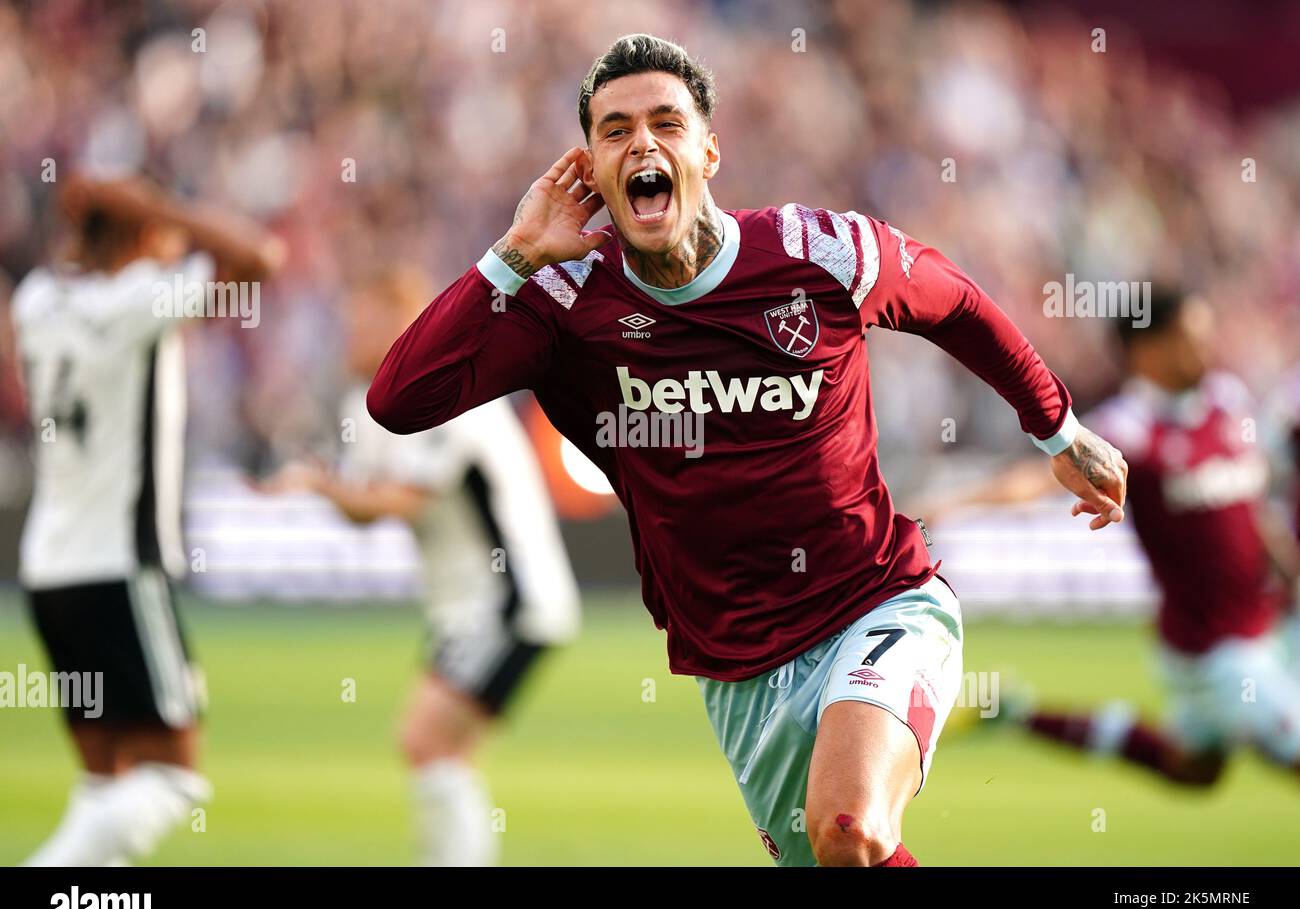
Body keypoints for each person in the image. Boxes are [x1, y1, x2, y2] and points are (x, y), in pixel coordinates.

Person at [366, 34, 1127, 866]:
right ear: (588, 167)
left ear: (709, 150)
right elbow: (400, 402)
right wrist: (512, 257)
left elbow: (957, 304)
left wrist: (1058, 429)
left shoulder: (819, 252)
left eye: (666, 123)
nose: (643, 144)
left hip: (876, 603)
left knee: (851, 829)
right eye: (616, 131)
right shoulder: (564, 302)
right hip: (734, 664)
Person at [263, 265, 579, 865]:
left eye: (361, 322)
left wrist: (315, 484)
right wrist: (323, 485)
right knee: (441, 752)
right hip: (467, 606)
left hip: (511, 602)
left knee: (426, 741)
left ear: (398, 327)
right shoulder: (368, 405)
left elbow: (402, 499)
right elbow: (366, 511)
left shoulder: (451, 395)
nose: (348, 336)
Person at [917, 290, 1300, 785]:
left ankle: (1017, 713)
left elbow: (1248, 510)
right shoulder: (1130, 428)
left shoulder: (1228, 401)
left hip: (1268, 622)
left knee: (1193, 767)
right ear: (1148, 351)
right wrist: (952, 506)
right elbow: (1039, 479)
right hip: (1215, 648)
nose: (1206, 349)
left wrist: (1284, 562)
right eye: (1191, 340)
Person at [16, 174, 282, 865]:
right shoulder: (140, 300)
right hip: (119, 565)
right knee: (172, 778)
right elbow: (260, 259)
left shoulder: (36, 299)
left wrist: (126, 215)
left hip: (49, 571)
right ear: (140, 232)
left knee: (104, 785)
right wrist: (163, 206)